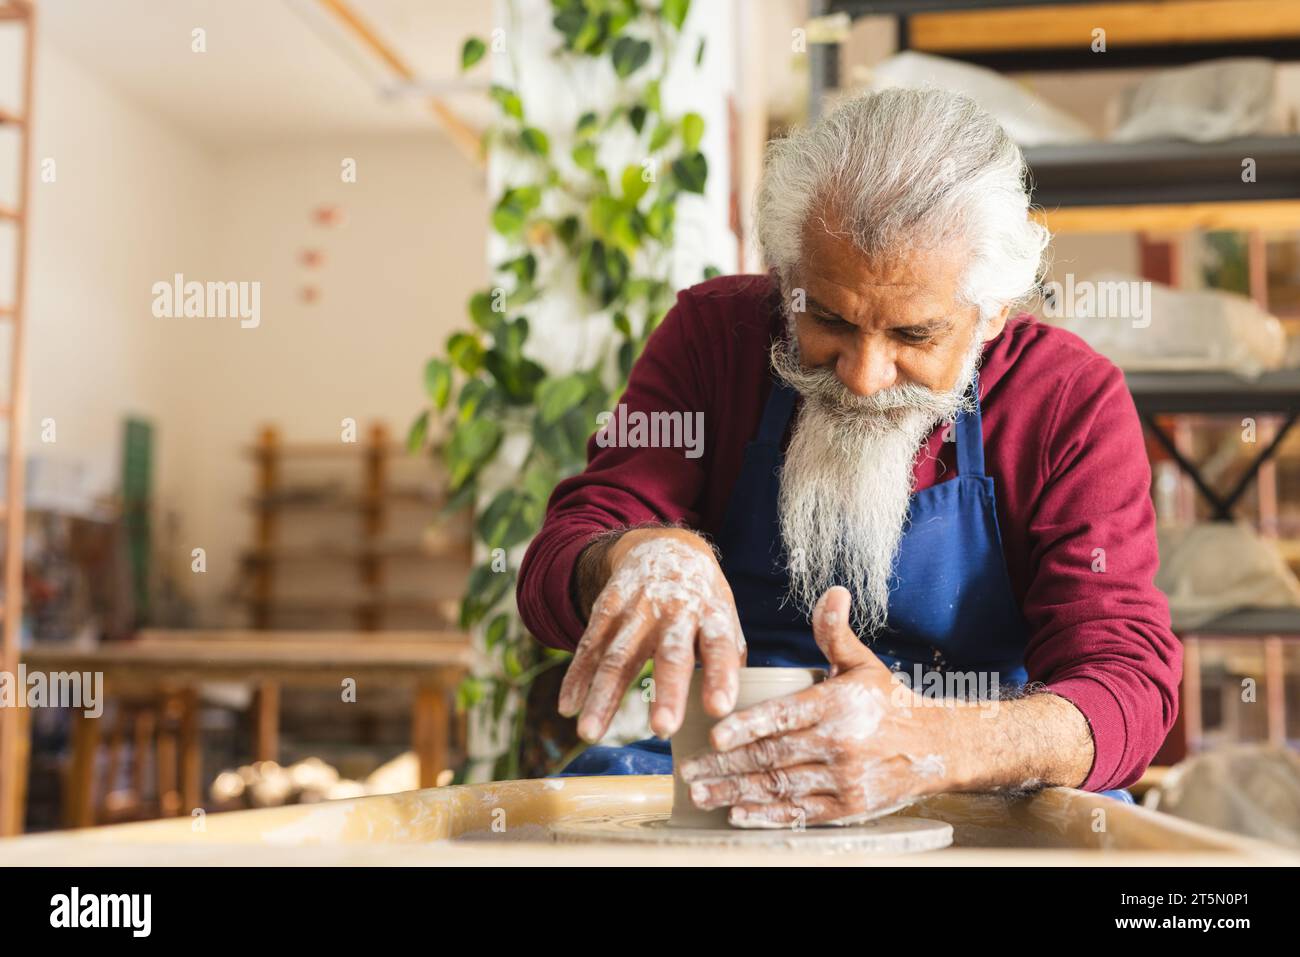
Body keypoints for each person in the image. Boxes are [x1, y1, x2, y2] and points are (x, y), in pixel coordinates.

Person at [517, 88, 1180, 827]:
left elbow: (1128, 683)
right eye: (827, 319)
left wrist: (937, 742)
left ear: (994, 309)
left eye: (914, 335)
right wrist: (634, 554)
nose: (863, 376)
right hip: (726, 775)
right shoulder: (714, 337)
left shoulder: (1068, 400)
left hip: (976, 782)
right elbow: (560, 561)